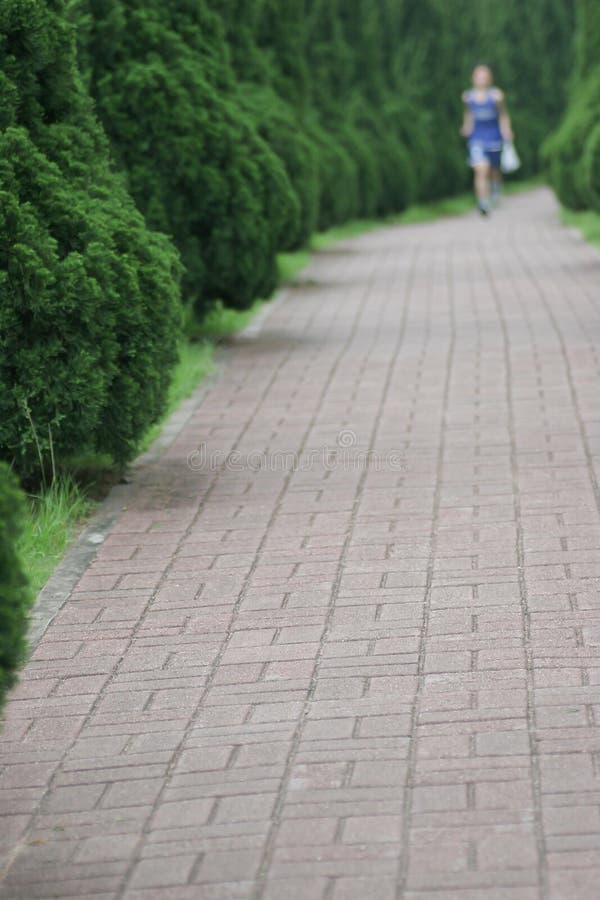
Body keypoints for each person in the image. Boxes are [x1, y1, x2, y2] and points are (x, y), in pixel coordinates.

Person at [461, 64, 514, 216]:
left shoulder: (496, 96)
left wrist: (506, 129)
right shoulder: (468, 97)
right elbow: (468, 114)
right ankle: (482, 202)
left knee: (494, 168)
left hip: (494, 136)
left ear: (489, 79)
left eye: (485, 76)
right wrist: (466, 127)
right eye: (479, 76)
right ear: (473, 79)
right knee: (481, 169)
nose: (482, 79)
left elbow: (503, 114)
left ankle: (496, 188)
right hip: (477, 138)